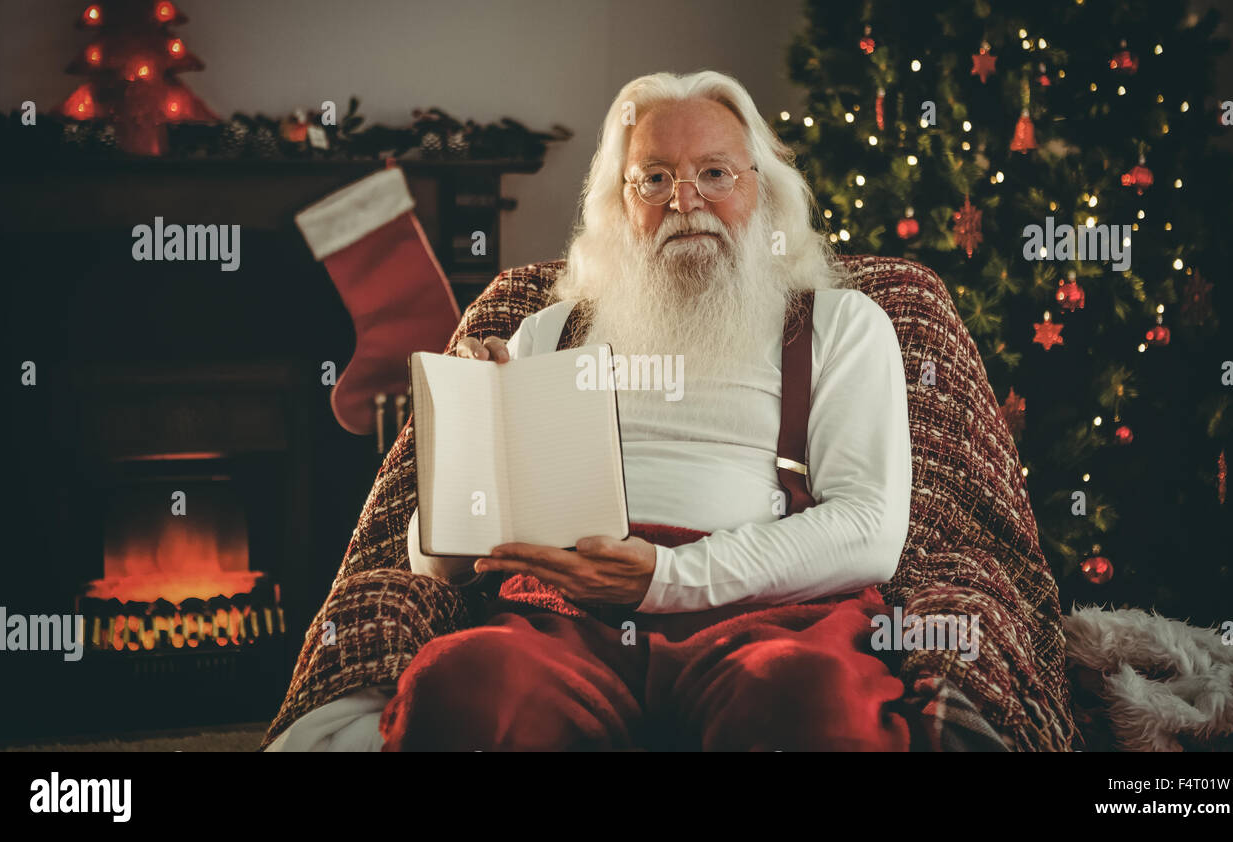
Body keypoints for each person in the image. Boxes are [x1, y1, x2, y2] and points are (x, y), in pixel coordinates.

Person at [267, 70, 912, 752]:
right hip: (565, 619)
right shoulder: (548, 333)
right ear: (620, 206)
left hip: (771, 619)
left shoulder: (841, 324)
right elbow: (435, 565)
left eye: (715, 173)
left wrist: (666, 578)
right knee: (464, 687)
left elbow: (869, 531)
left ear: (764, 191)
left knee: (812, 703)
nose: (685, 202)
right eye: (654, 179)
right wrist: (470, 437)